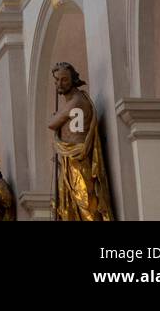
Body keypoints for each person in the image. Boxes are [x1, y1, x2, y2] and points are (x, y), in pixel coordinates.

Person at [47, 61, 115, 220]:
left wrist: (56, 117)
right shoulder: (75, 100)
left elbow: (51, 124)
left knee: (85, 199)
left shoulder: (76, 101)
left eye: (64, 79)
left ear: (74, 79)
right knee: (74, 202)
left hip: (78, 157)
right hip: (71, 157)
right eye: (56, 80)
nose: (59, 84)